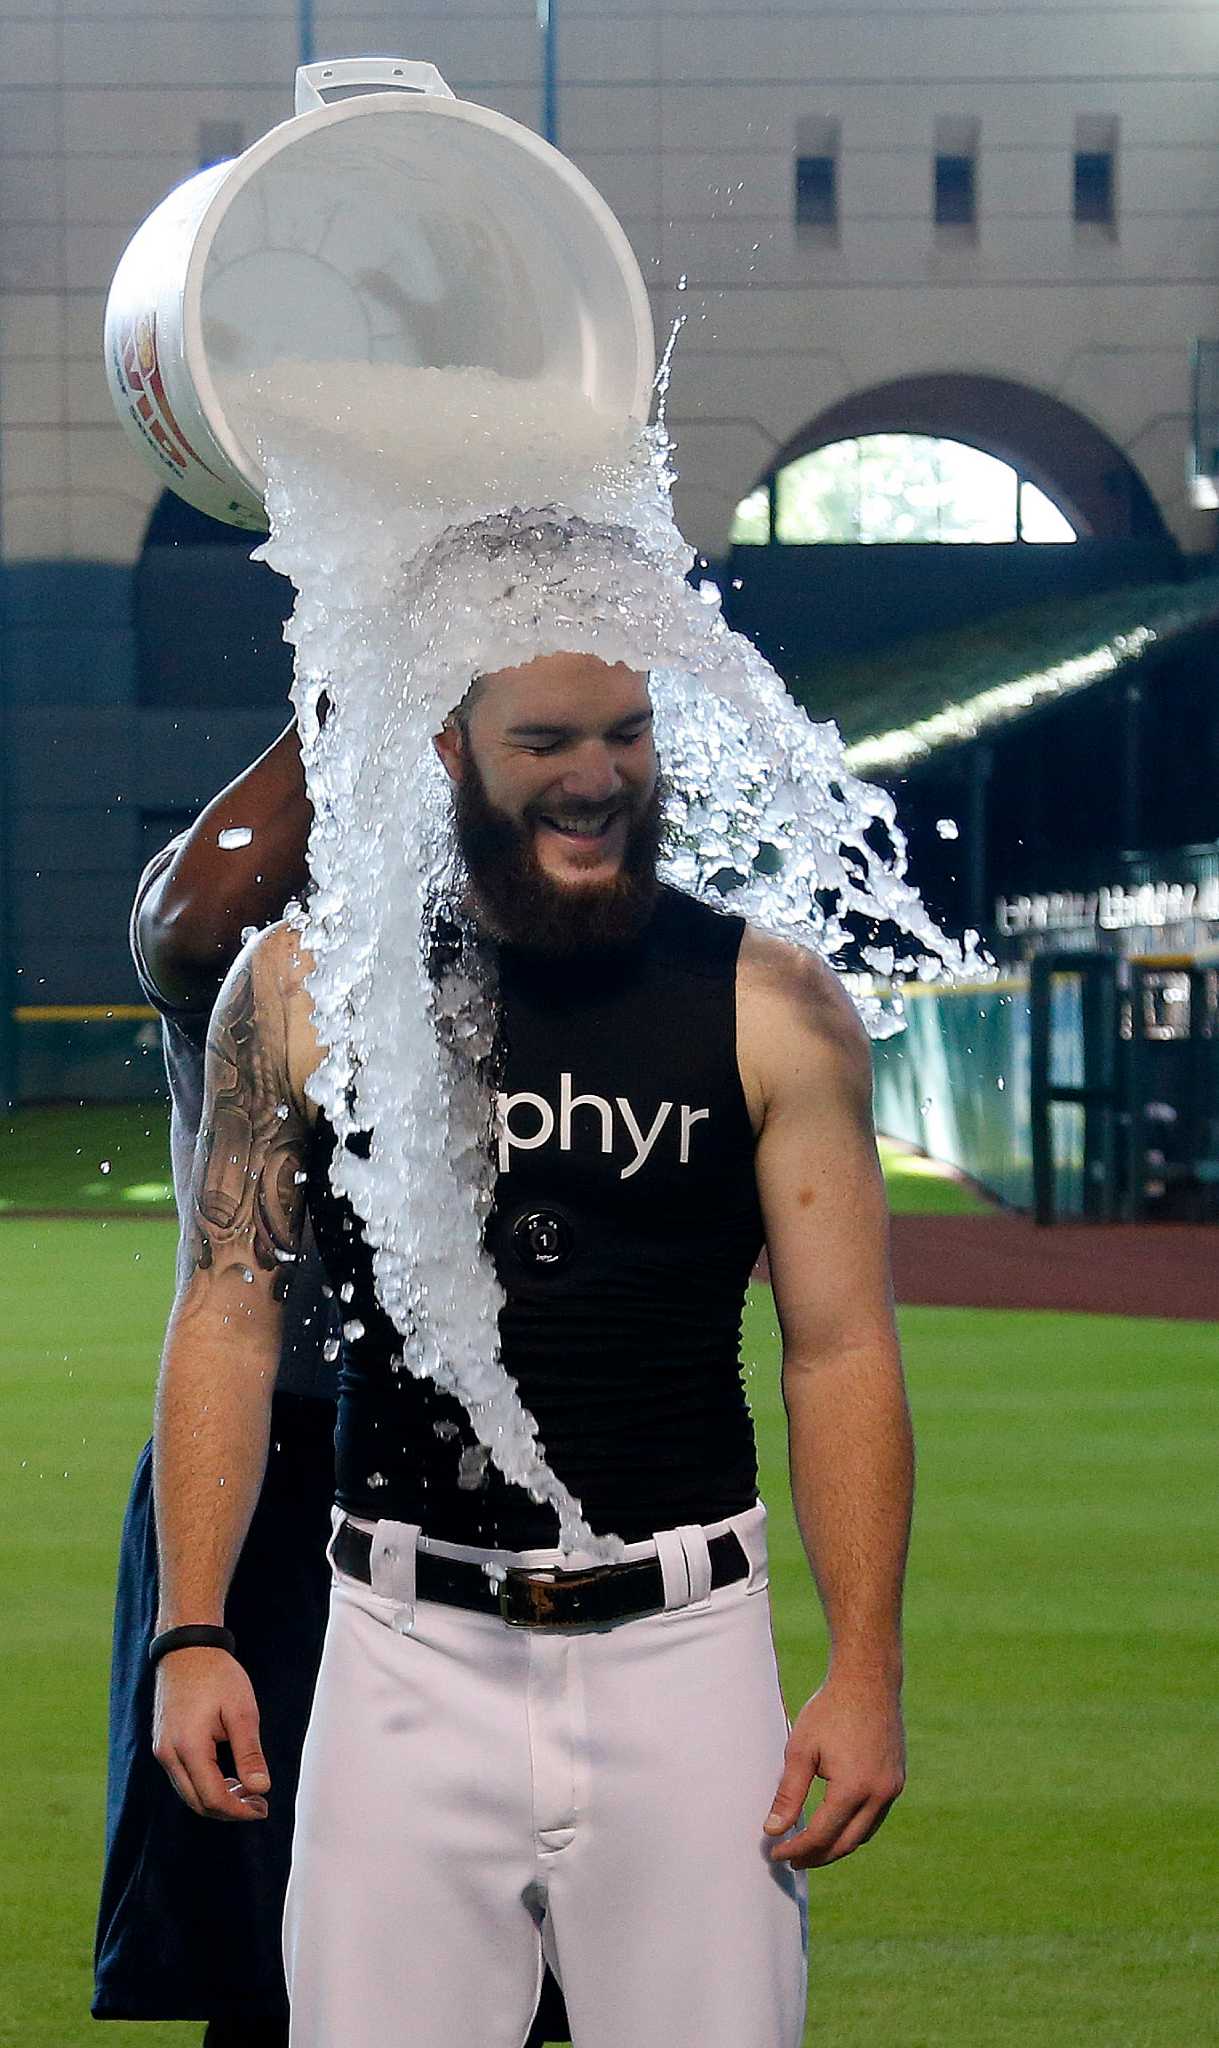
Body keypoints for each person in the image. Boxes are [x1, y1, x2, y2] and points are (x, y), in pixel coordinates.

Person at [149, 653, 912, 2048]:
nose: (595, 777)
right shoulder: (310, 987)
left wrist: (865, 1669)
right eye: (547, 740)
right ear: (450, 749)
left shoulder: (772, 1001)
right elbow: (228, 1310)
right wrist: (191, 1629)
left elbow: (841, 1352)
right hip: (401, 1649)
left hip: (686, 1655)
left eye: (627, 736)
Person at [93, 723, 572, 2048]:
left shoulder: (525, 939)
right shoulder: (265, 952)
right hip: (276, 1471)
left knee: (527, 1954)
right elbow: (199, 914)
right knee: (276, 1958)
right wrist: (363, 660)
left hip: (516, 1475)